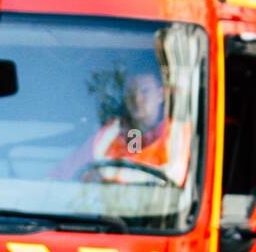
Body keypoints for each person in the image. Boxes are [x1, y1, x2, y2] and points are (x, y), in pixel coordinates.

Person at [50, 70, 188, 184]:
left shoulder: (180, 135)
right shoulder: (110, 134)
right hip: (105, 216)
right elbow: (61, 175)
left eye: (144, 91)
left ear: (161, 94)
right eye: (131, 92)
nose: (137, 99)